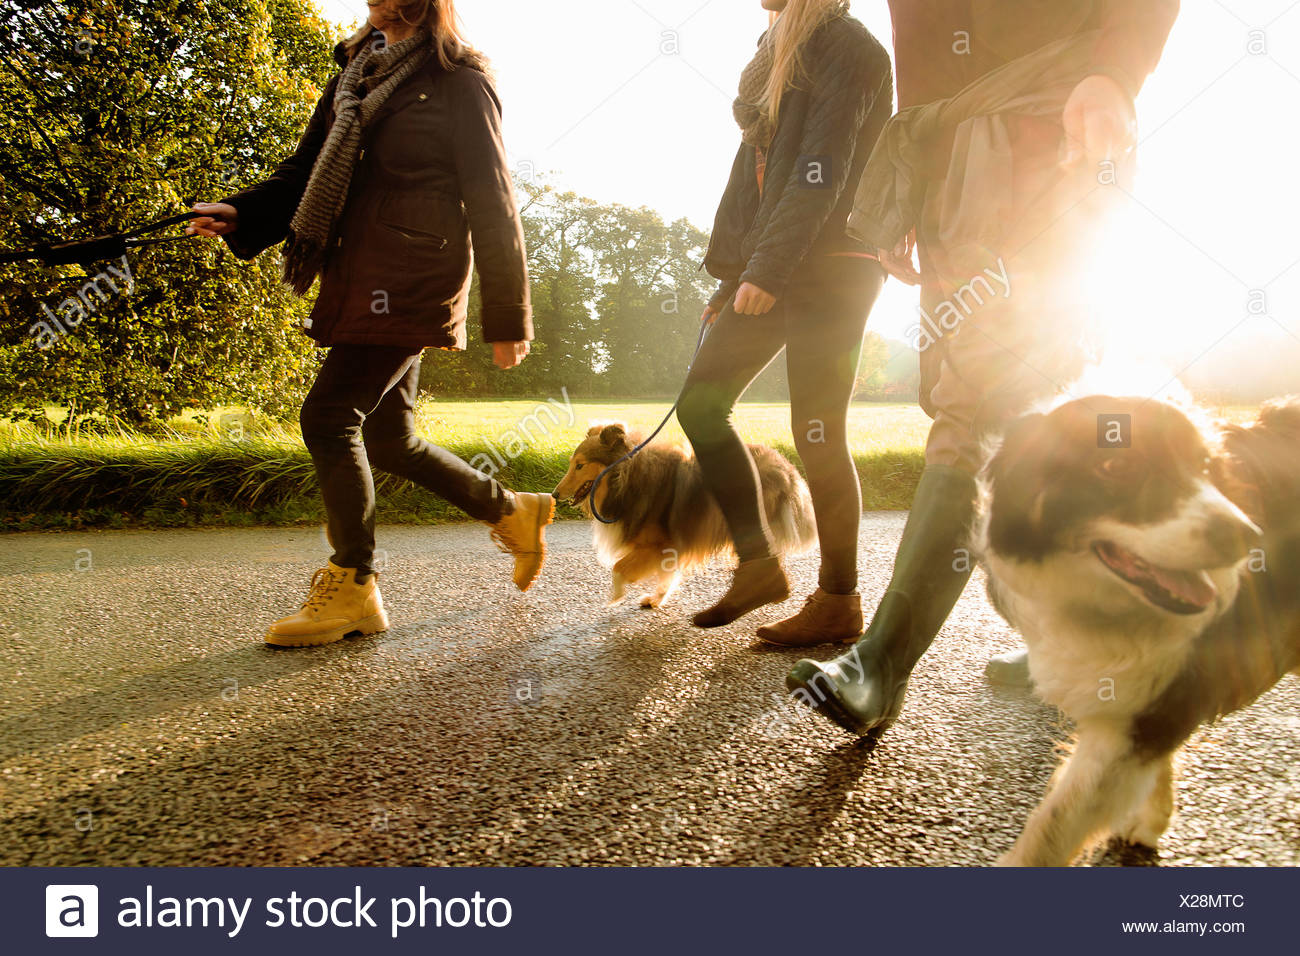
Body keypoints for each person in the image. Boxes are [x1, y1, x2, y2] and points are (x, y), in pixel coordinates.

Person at [787, 0, 1182, 734]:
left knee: (983, 397)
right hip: (951, 161)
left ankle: (882, 662)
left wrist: (1116, 72)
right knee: (1003, 406)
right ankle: (1080, 645)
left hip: (1051, 129)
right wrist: (917, 175)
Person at [187, 0, 553, 648]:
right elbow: (303, 172)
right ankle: (514, 512)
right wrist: (243, 212)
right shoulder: (355, 71)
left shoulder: (459, 81)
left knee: (328, 417)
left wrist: (508, 313)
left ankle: (352, 583)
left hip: (414, 278)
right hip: (357, 272)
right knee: (391, 442)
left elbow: (494, 197)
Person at [678, 0, 893, 640]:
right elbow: (759, 176)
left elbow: (819, 168)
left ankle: (837, 601)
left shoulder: (848, 47)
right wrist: (733, 276)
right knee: (700, 403)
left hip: (837, 260)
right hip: (774, 257)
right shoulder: (772, 55)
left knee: (819, 429)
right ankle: (758, 565)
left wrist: (767, 270)